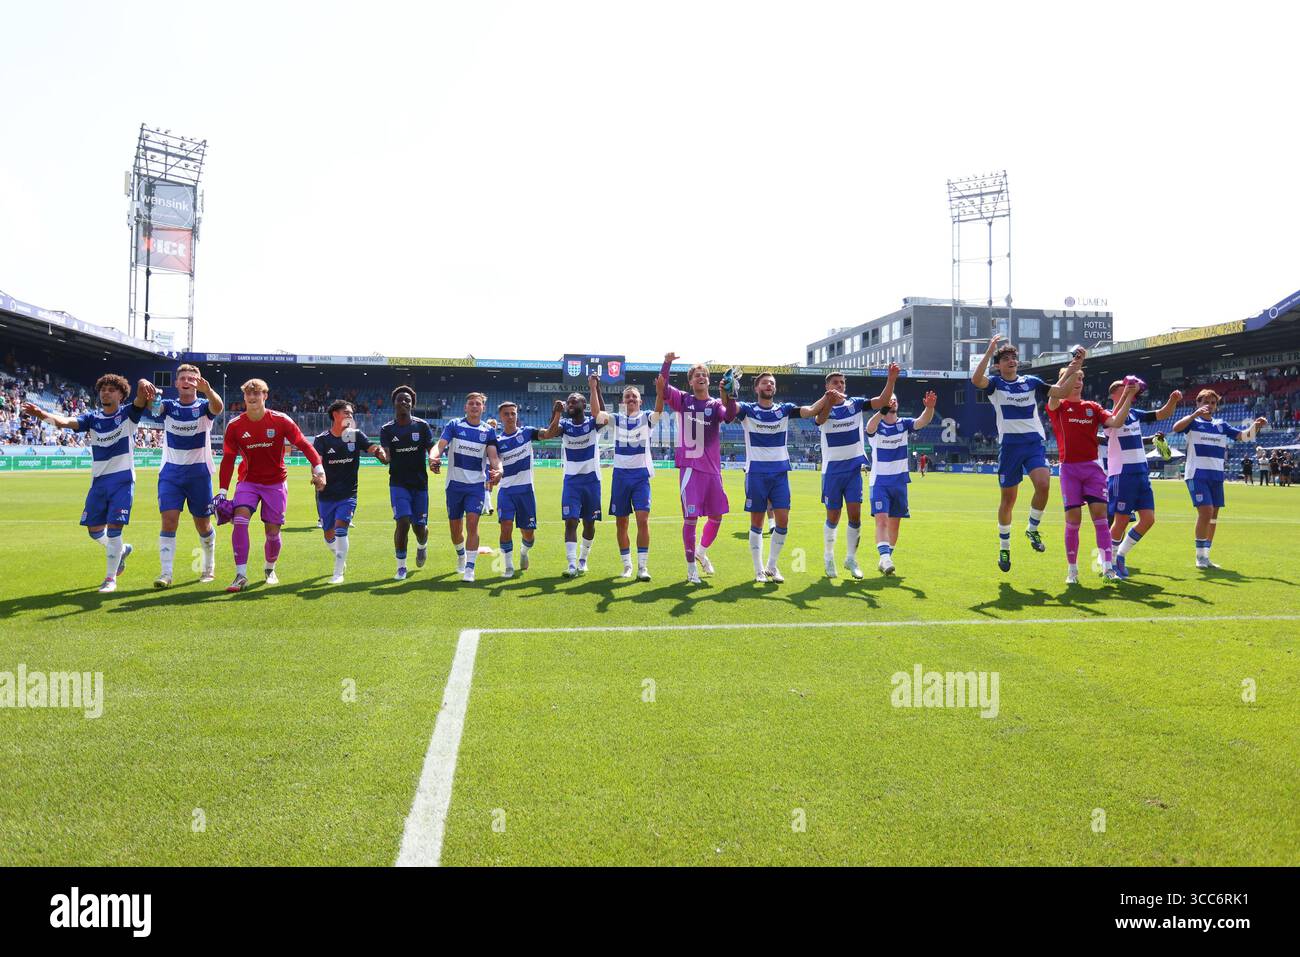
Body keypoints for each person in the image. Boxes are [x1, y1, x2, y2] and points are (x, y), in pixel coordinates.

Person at [21, 374, 153, 592]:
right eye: (103, 389)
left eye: (111, 389)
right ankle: (120, 551)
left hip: (122, 479)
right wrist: (41, 414)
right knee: (94, 530)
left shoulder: (129, 414)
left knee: (114, 529)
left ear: (121, 395)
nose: (106, 392)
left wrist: (142, 382)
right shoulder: (92, 418)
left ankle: (110, 579)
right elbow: (64, 422)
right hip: (99, 482)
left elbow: (141, 397)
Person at [971, 335, 1080, 573]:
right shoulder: (995, 385)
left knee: (1043, 485)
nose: (1011, 361)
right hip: (1010, 447)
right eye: (1006, 358)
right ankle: (1004, 547)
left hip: (1033, 443)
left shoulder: (1031, 381)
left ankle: (1032, 528)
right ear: (998, 365)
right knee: (1008, 501)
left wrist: (1075, 367)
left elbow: (1060, 392)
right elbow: (976, 379)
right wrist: (990, 351)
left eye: (1014, 358)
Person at [217, 379, 326, 593]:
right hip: (248, 481)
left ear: (265, 396)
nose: (252, 397)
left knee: (272, 532)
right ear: (244, 398)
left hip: (275, 482)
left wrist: (319, 470)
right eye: (248, 394)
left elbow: (303, 444)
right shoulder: (235, 426)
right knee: (239, 521)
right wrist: (222, 491)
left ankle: (270, 568)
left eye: (257, 393)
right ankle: (241, 575)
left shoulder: (281, 420)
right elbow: (228, 459)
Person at [728, 371, 830, 583]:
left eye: (772, 383)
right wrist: (727, 392)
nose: (769, 385)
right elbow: (729, 411)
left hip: (780, 473)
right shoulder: (748, 410)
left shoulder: (784, 410)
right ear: (757, 388)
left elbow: (811, 411)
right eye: (765, 383)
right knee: (756, 522)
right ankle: (758, 570)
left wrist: (828, 396)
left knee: (783, 521)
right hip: (756, 472)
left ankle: (771, 566)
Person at [1046, 368, 1138, 583]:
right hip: (1069, 469)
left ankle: (1107, 569)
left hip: (1093, 469)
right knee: (1073, 520)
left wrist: (1129, 397)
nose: (1077, 382)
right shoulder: (1058, 406)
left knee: (1100, 518)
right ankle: (1072, 572)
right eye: (1072, 378)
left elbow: (1115, 421)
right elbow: (1053, 395)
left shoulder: (1092, 407)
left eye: (1080, 378)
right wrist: (1069, 370)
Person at [655, 354, 738, 584]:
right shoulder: (683, 400)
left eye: (704, 375)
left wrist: (729, 395)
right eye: (696, 375)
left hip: (713, 471)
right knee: (690, 518)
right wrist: (667, 362)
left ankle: (701, 551)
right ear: (690, 382)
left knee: (717, 516)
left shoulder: (715, 405)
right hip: (691, 468)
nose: (701, 377)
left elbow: (730, 416)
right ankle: (691, 567)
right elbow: (662, 387)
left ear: (708, 381)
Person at [813, 365, 898, 579]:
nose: (839, 386)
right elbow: (820, 420)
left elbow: (881, 401)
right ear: (827, 387)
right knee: (833, 516)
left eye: (842, 383)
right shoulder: (824, 407)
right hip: (832, 471)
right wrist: (829, 403)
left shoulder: (856, 404)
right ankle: (828, 557)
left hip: (853, 469)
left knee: (855, 516)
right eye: (835, 383)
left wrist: (891, 379)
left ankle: (851, 558)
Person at [1171, 390, 1267, 569]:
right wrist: (1194, 415)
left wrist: (1256, 425)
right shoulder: (1193, 422)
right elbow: (1176, 428)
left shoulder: (1221, 424)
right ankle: (1199, 557)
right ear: (1198, 403)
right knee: (1206, 512)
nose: (1209, 404)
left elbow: (1244, 436)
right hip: (1197, 474)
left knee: (1213, 517)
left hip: (1216, 475)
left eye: (1213, 402)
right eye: (1205, 401)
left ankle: (1206, 557)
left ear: (1216, 406)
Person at [153, 363, 223, 588]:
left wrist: (209, 391)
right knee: (169, 521)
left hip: (199, 474)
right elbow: (153, 409)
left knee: (203, 525)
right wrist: (149, 392)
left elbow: (218, 407)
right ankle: (166, 573)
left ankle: (208, 566)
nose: (187, 381)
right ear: (176, 383)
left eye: (192, 378)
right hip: (171, 473)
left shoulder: (204, 407)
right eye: (182, 377)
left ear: (198, 382)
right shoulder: (167, 406)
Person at [1104, 380, 1182, 579]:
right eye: (1125, 389)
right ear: (1114, 394)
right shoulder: (1107, 416)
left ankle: (1120, 554)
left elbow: (1162, 414)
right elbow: (1117, 421)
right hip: (1122, 473)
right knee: (1120, 520)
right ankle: (1109, 564)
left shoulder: (1135, 413)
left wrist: (1172, 401)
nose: (1130, 391)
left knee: (1148, 519)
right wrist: (1128, 395)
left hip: (1140, 472)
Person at [539, 379, 607, 578]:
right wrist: (557, 413)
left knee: (589, 523)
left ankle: (583, 560)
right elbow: (550, 432)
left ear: (584, 406)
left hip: (592, 480)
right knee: (570, 521)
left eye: (574, 401)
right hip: (571, 481)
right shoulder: (565, 426)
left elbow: (602, 413)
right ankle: (570, 564)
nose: (570, 404)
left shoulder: (593, 424)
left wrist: (596, 388)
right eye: (568, 402)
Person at [431, 392, 502, 583]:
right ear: (465, 407)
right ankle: (461, 556)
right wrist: (433, 456)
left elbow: (494, 457)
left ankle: (470, 568)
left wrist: (499, 470)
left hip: (476, 486)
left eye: (478, 404)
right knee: (455, 530)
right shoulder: (454, 425)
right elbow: (440, 445)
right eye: (471, 403)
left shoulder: (488, 431)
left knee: (472, 523)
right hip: (454, 485)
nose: (474, 406)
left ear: (483, 408)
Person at [864, 391, 937, 576]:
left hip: (900, 481)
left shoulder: (903, 424)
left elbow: (922, 421)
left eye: (895, 400)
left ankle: (885, 558)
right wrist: (881, 411)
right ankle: (885, 558)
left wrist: (929, 407)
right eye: (890, 400)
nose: (893, 402)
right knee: (881, 521)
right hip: (879, 482)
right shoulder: (877, 426)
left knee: (895, 524)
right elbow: (869, 427)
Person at [314, 400, 385, 584]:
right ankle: (340, 557)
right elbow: (317, 463)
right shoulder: (322, 439)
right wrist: (318, 477)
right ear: (335, 415)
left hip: (348, 494)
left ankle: (338, 573)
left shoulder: (356, 435)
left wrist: (380, 453)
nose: (350, 416)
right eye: (346, 413)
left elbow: (371, 447)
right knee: (328, 535)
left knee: (340, 529)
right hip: (327, 495)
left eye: (352, 414)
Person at [599, 377, 663, 581]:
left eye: (634, 396)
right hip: (620, 476)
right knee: (621, 523)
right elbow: (596, 414)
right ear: (623, 401)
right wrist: (594, 388)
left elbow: (660, 409)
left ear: (640, 400)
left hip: (640, 476)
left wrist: (661, 390)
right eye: (627, 397)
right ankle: (627, 565)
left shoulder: (646, 418)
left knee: (643, 520)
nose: (631, 399)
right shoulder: (617, 418)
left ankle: (643, 567)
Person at [491, 399, 558, 578]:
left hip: (526, 490)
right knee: (505, 526)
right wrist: (497, 473)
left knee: (528, 534)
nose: (510, 417)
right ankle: (508, 565)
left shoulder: (527, 432)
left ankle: (523, 552)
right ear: (500, 417)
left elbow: (550, 433)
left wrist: (557, 413)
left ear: (517, 415)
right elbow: (495, 461)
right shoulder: (497, 441)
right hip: (506, 490)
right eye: (506, 414)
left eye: (513, 413)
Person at [378, 386, 436, 581]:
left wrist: (433, 459)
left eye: (407, 400)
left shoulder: (422, 426)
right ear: (394, 403)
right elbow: (387, 455)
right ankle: (401, 567)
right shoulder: (387, 429)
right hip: (398, 483)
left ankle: (422, 545)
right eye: (400, 400)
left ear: (412, 404)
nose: (403, 402)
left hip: (420, 484)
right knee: (402, 522)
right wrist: (381, 456)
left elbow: (431, 449)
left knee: (419, 528)